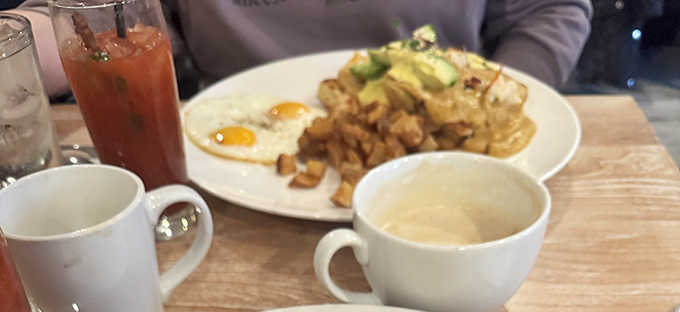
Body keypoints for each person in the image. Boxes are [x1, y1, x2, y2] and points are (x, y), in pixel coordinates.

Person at [21, 0, 592, 98]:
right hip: (219, 187)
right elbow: (85, 18)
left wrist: (502, 97)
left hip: (457, 163)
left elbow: (549, 11)